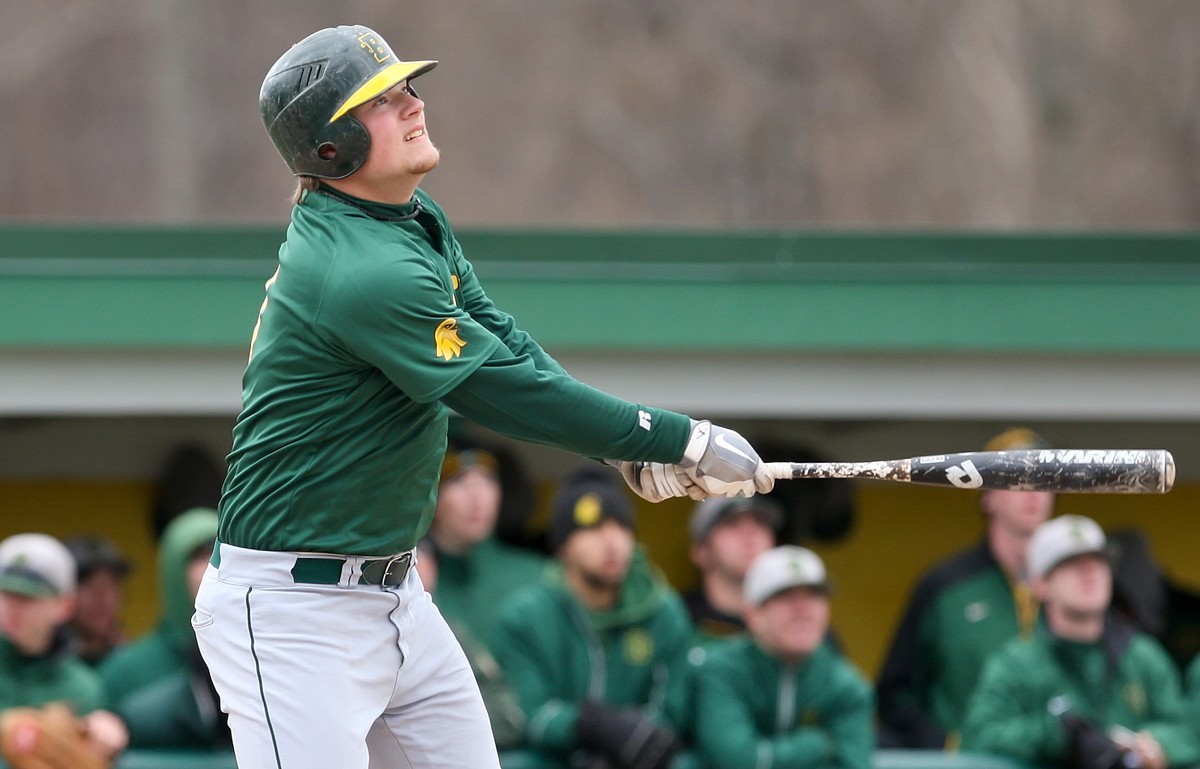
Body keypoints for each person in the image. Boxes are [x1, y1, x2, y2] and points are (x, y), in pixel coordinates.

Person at [195, 23, 775, 769]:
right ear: (332, 145)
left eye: (407, 87)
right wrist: (675, 438)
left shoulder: (411, 218)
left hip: (394, 591)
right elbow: (497, 390)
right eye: (382, 100)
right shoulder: (363, 269)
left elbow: (501, 339)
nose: (413, 103)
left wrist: (619, 449)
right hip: (291, 613)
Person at [491, 467, 694, 769]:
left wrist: (632, 736)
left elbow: (670, 712)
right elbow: (527, 715)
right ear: (563, 547)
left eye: (621, 526)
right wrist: (589, 725)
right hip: (554, 760)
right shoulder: (523, 617)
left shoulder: (664, 612)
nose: (612, 542)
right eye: (594, 528)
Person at [961, 515, 1200, 769]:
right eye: (1071, 563)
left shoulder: (1142, 656)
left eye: (1098, 560)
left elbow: (1188, 728)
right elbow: (978, 737)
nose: (1090, 572)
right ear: (1040, 584)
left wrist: (1156, 744)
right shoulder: (1015, 665)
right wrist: (1059, 736)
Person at [875, 427, 1055, 749]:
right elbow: (894, 695)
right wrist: (946, 746)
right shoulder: (945, 588)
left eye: (1044, 478)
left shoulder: (1078, 589)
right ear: (987, 497)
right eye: (1015, 477)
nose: (1032, 490)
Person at [689, 546, 873, 769]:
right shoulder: (721, 670)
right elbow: (738, 762)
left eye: (814, 596)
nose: (803, 609)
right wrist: (815, 745)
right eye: (785, 597)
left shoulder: (847, 687)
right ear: (752, 614)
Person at [100, 508, 228, 749]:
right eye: (200, 557)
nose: (214, 569)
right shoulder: (125, 672)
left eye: (222, 556)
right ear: (173, 571)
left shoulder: (256, 662)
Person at [0, 533, 128, 761]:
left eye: (29, 598)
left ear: (64, 606)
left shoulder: (82, 686)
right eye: (5, 594)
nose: (13, 607)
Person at [425, 441, 548, 651]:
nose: (476, 495)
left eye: (487, 480)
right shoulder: (411, 579)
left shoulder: (535, 576)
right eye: (459, 480)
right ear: (434, 495)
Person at [412, 538, 526, 751]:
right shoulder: (365, 634)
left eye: (420, 557)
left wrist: (443, 729)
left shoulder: (449, 633)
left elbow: (506, 713)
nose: (415, 569)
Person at [683, 496, 781, 645]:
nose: (750, 533)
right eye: (731, 523)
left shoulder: (796, 620)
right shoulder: (676, 619)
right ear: (701, 552)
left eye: (760, 523)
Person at [62, 534, 132, 666]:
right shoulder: (43, 666)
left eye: (110, 584)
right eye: (87, 584)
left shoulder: (132, 662)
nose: (101, 597)